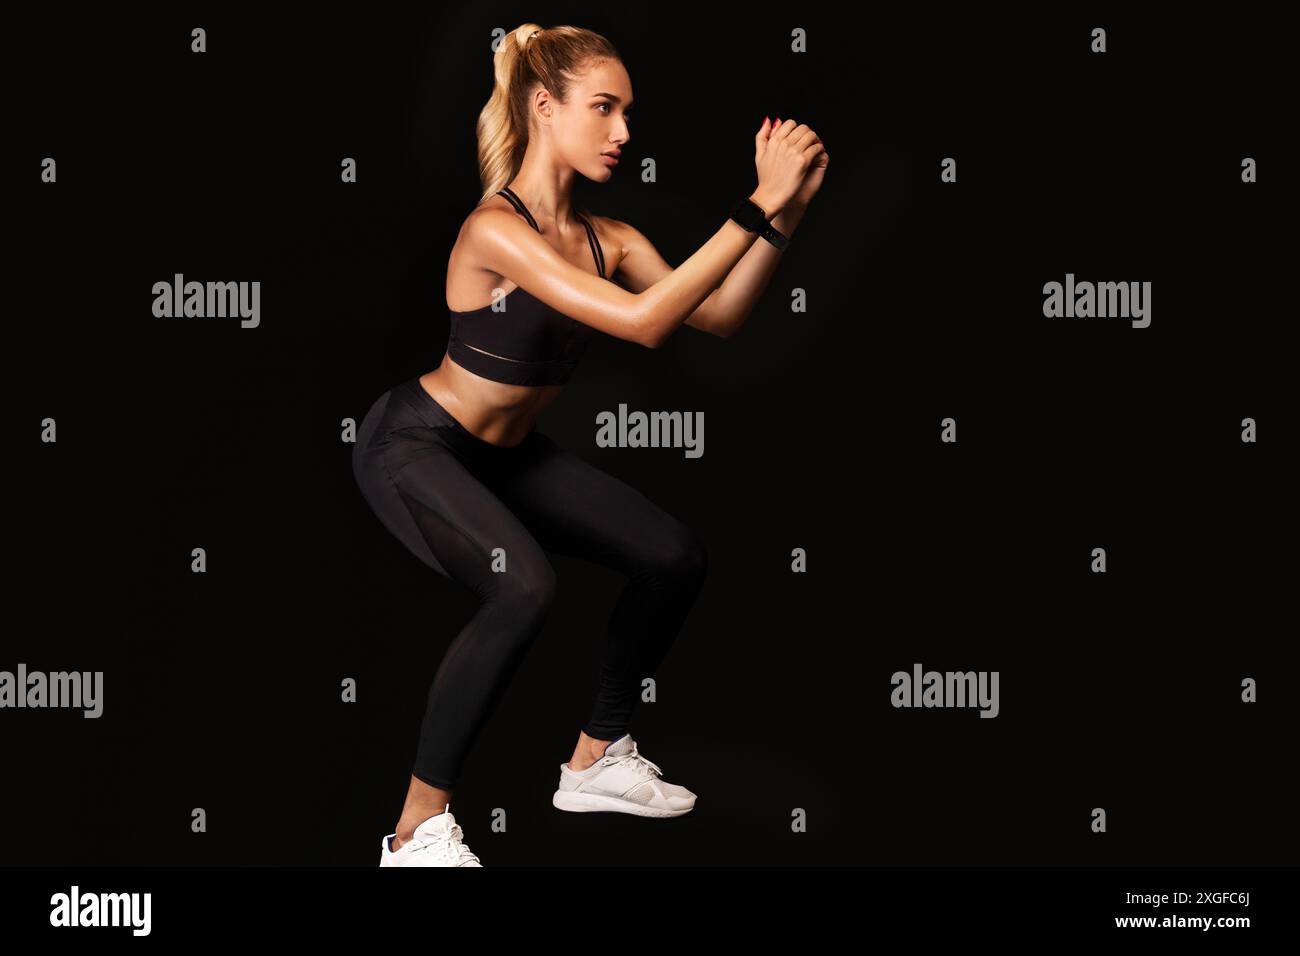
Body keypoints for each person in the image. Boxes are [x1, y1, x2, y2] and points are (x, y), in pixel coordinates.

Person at [354, 21, 827, 866]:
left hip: (508, 454)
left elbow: (714, 314)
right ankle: (414, 832)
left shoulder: (610, 240)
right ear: (545, 107)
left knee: (673, 554)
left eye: (628, 113)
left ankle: (594, 760)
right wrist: (752, 205)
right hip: (417, 443)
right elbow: (645, 324)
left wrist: (782, 218)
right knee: (523, 588)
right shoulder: (495, 230)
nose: (623, 133)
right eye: (604, 109)